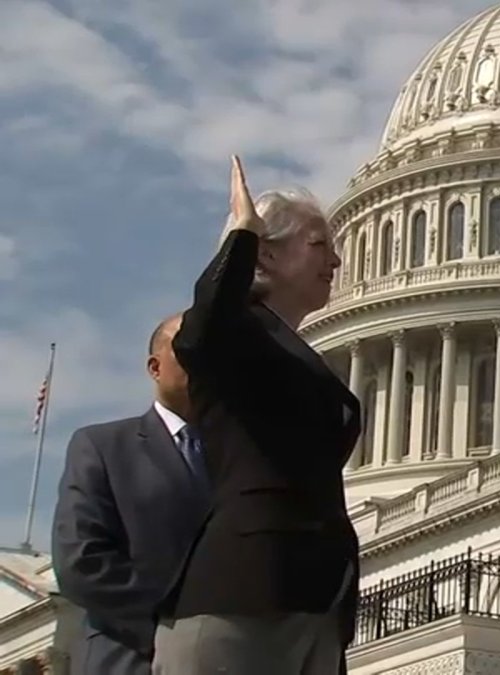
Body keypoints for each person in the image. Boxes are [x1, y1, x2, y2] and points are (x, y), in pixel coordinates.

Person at [151, 157, 360, 675]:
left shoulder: (289, 349)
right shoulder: (232, 333)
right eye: (319, 245)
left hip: (311, 602)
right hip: (242, 600)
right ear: (267, 252)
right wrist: (240, 234)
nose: (336, 260)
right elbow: (200, 330)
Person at [51, 312, 211, 675]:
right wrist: (174, 630)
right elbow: (82, 561)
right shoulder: (102, 446)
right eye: (188, 349)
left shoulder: (238, 459)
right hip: (129, 658)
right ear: (155, 368)